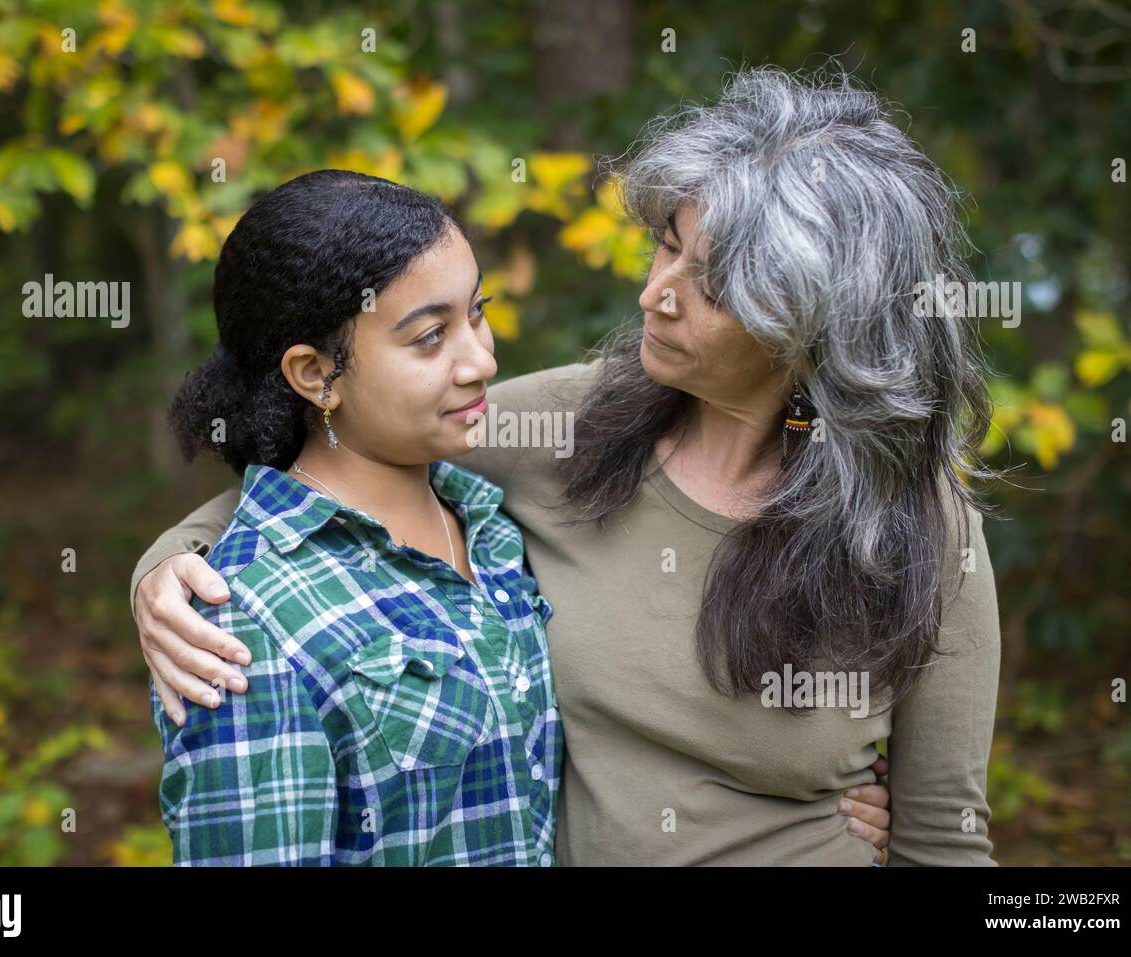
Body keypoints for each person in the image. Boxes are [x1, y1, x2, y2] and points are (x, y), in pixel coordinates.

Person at [138, 66, 1001, 865]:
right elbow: (342, 453)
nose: (655, 293)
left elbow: (944, 838)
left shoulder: (908, 519)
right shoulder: (569, 424)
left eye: (713, 284)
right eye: (667, 245)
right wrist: (166, 570)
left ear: (814, 318)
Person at [153, 169, 560, 865]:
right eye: (431, 337)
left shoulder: (492, 525)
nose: (482, 358)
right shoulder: (243, 621)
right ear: (316, 375)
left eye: (478, 312)